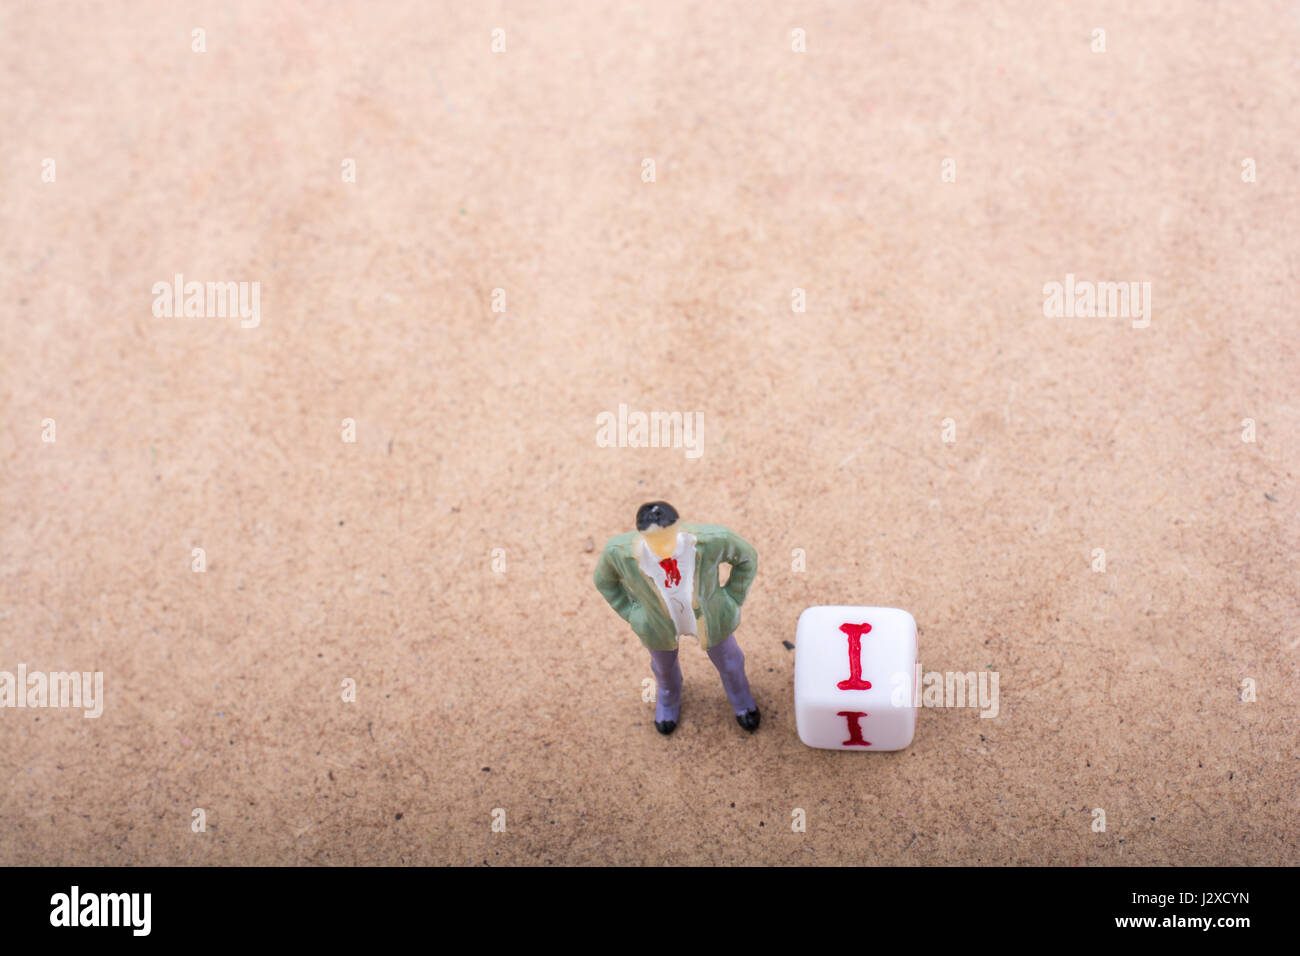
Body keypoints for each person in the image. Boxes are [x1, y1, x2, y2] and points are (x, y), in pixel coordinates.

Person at [594, 501, 760, 735]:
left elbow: (747, 558)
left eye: (667, 537)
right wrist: (633, 613)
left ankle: (741, 700)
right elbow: (604, 582)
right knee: (663, 668)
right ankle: (668, 699)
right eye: (654, 540)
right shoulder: (619, 552)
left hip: (710, 617)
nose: (663, 546)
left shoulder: (714, 540)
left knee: (731, 662)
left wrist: (733, 598)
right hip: (658, 623)